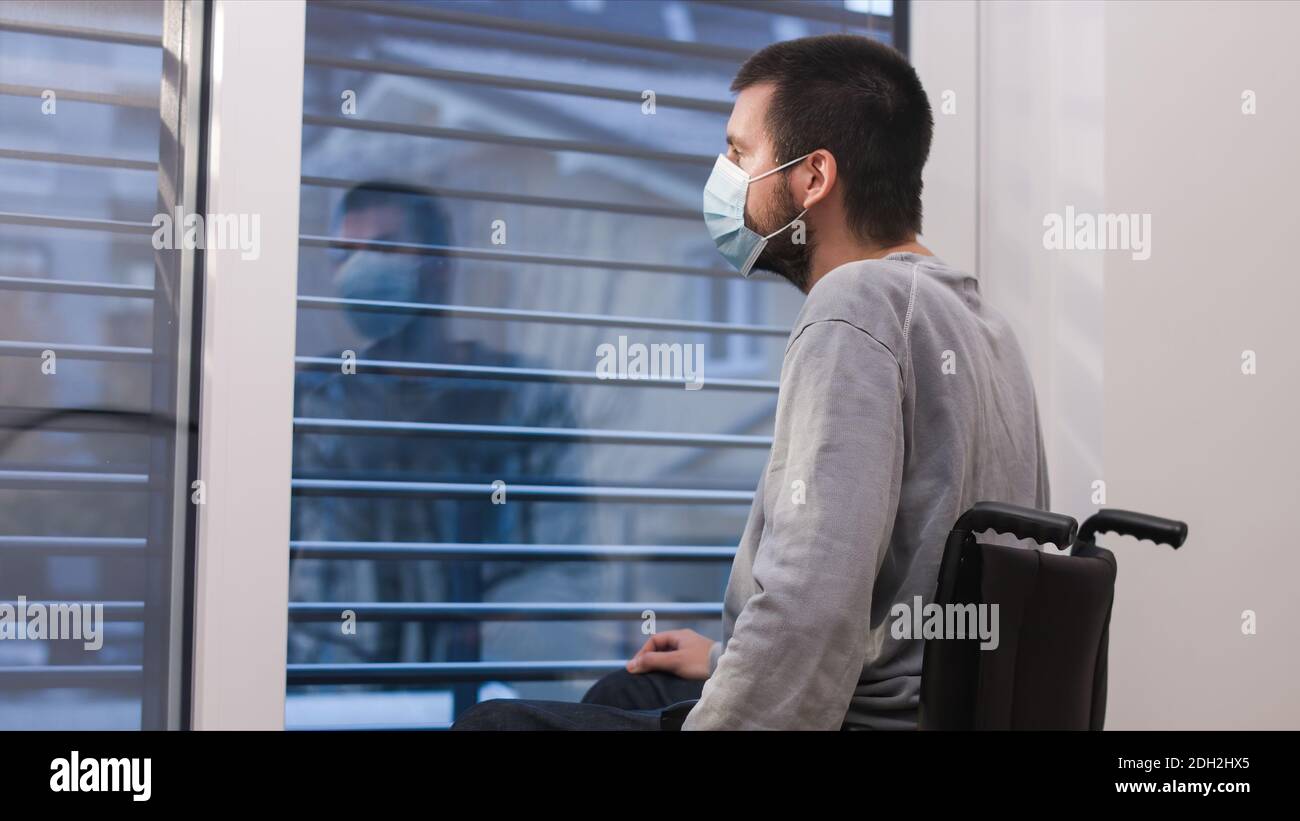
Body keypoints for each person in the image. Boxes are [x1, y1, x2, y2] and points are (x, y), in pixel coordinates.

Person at [453, 33, 1048, 731]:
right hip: (929, 708)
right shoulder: (983, 323)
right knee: (629, 689)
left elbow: (814, 600)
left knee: (492, 727)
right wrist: (725, 658)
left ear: (813, 178)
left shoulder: (854, 305)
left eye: (740, 154)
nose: (723, 177)